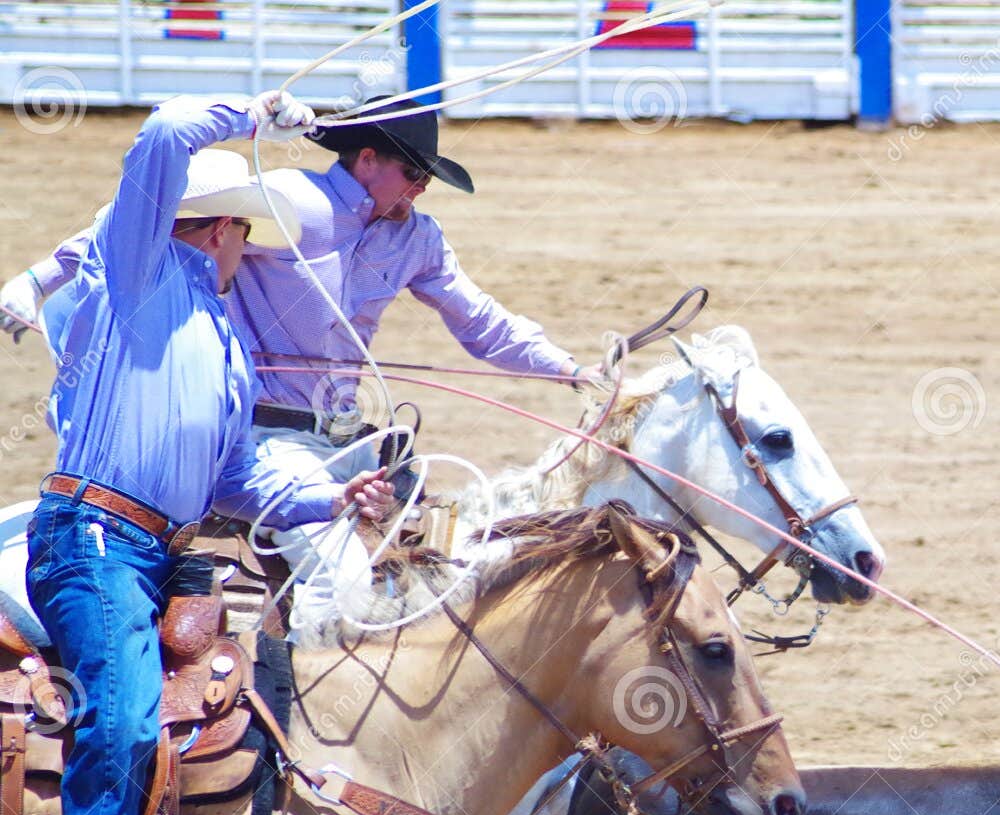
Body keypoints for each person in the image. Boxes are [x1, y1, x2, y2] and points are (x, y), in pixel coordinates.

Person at [24, 91, 395, 815]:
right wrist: (256, 112)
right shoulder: (137, 269)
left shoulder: (225, 344)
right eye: (248, 233)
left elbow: (235, 477)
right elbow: (162, 133)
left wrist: (332, 498)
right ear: (224, 228)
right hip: (94, 539)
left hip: (156, 552)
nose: (252, 249)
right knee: (124, 718)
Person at [3, 97, 596, 633]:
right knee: (342, 582)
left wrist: (570, 370)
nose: (421, 188)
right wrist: (38, 279)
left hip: (353, 444)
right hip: (266, 440)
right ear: (368, 159)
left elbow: (480, 319)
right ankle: (309, 700)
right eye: (414, 172)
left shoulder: (418, 239)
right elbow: (158, 218)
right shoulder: (294, 204)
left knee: (445, 556)